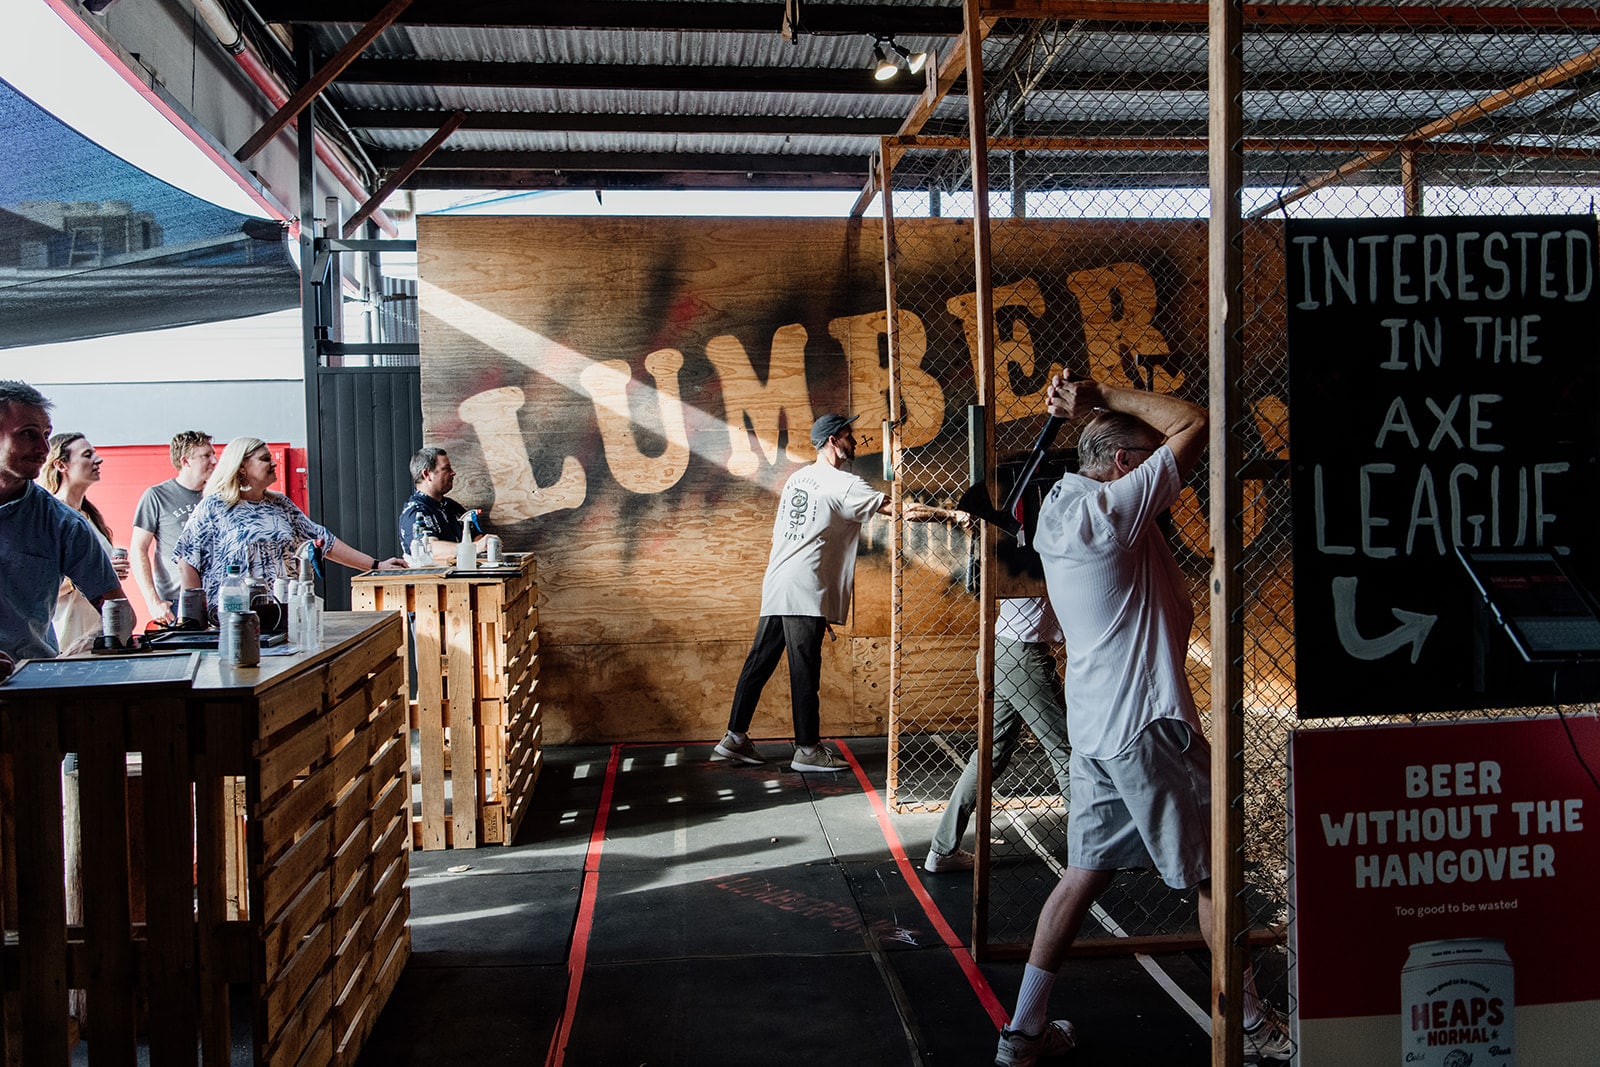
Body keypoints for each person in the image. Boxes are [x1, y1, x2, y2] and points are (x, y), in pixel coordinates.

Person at [993, 373, 1290, 1067]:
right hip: (1148, 724)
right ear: (1125, 466)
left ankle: (1024, 1032)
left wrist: (1094, 417)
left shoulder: (1065, 503)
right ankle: (1249, 1024)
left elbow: (1156, 443)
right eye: (1150, 458)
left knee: (1083, 874)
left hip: (1100, 729)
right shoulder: (1109, 514)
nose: (1169, 473)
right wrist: (1103, 400)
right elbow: (1194, 421)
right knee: (1218, 868)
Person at [714, 413, 891, 773]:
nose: (854, 441)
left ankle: (734, 738)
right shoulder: (843, 483)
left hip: (779, 581)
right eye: (848, 435)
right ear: (832, 441)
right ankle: (807, 750)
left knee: (759, 662)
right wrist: (949, 515)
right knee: (805, 668)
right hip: (805, 588)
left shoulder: (799, 478)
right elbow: (894, 509)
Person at [174, 436, 406, 608]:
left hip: (283, 614)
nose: (273, 463)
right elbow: (187, 561)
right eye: (264, 459)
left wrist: (376, 566)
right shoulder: (216, 506)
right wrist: (196, 619)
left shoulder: (280, 504)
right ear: (241, 466)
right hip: (233, 619)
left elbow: (323, 541)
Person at [0, 382, 119, 669]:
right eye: (28, 434)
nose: (43, 448)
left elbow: (118, 610)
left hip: (31, 689)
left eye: (46, 435)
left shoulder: (63, 523)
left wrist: (97, 637)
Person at [43, 432, 132, 654]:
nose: (98, 460)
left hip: (99, 632)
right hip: (68, 634)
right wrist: (95, 575)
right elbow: (39, 581)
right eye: (87, 454)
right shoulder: (50, 517)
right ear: (61, 464)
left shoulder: (90, 516)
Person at [130, 430, 215, 624]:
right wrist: (153, 601)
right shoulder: (157, 496)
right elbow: (138, 549)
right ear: (185, 461)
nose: (214, 461)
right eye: (206, 456)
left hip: (215, 596)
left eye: (213, 454)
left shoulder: (217, 496)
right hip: (177, 600)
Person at [398, 446, 485, 562]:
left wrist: (486, 543)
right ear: (427, 474)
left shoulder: (452, 506)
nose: (453, 473)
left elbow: (476, 536)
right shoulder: (415, 512)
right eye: (446, 469)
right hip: (434, 579)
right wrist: (474, 548)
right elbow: (429, 549)